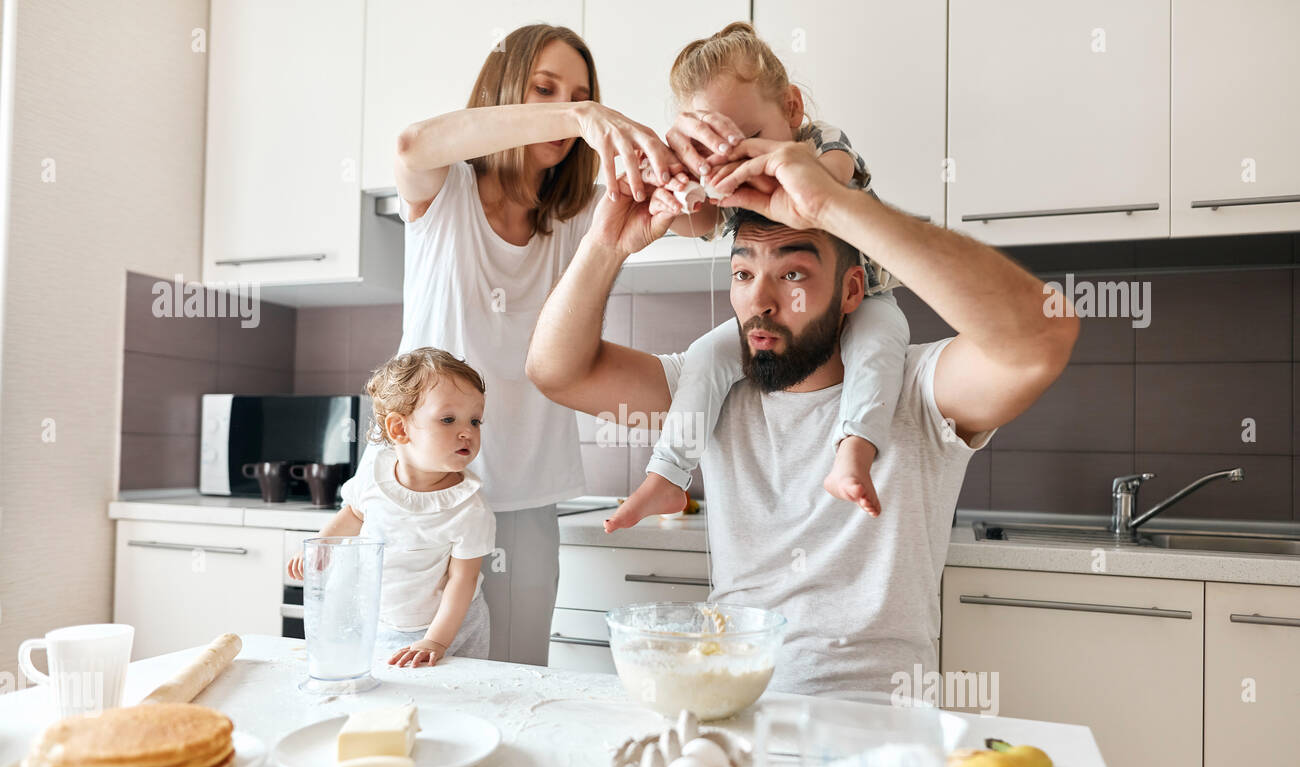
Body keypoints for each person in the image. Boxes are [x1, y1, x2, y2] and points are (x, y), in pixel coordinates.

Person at [525, 140, 1078, 696]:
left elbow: (1043, 336)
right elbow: (556, 371)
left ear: (852, 290)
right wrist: (605, 244)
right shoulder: (713, 391)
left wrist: (836, 206)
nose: (759, 300)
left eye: (792, 275)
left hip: (872, 721)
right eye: (743, 275)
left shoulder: (917, 391)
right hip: (732, 701)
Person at [339, 23, 678, 665]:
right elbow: (412, 143)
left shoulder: (576, 219)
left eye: (576, 95)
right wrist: (580, 111)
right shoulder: (447, 193)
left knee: (517, 678)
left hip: (524, 493)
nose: (561, 110)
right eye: (543, 89)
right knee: (397, 668)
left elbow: (689, 210)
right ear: (506, 95)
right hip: (413, 491)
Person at [605, 22, 908, 533]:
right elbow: (693, 220)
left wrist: (777, 165)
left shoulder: (822, 144)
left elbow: (828, 180)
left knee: (880, 345)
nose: (737, 161)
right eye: (714, 150)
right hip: (785, 319)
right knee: (705, 355)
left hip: (867, 297)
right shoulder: (724, 184)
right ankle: (667, 475)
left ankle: (854, 453)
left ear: (792, 109)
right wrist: (662, 186)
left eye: (748, 140)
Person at [289, 349, 496, 668]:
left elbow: (462, 581)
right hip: (381, 620)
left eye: (475, 420)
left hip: (448, 628)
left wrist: (436, 640)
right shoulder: (373, 479)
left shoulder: (469, 507)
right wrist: (321, 549)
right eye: (448, 419)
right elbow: (353, 515)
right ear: (400, 429)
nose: (467, 430)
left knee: (450, 699)